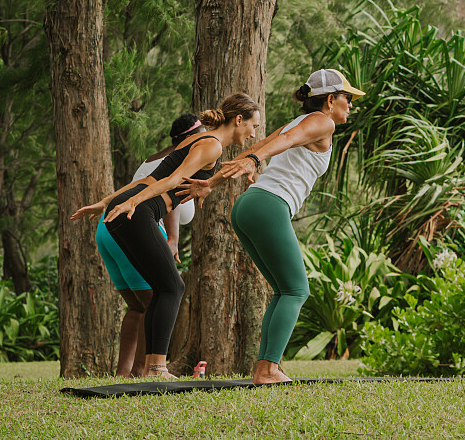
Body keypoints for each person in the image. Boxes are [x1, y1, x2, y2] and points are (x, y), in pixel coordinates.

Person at [180, 69, 365, 385]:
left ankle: (267, 367)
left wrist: (211, 183)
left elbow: (261, 146)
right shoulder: (323, 122)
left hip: (249, 207)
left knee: (284, 290)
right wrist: (251, 163)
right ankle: (267, 369)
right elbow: (281, 143)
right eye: (347, 98)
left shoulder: (298, 122)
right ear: (330, 99)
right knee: (296, 290)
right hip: (269, 206)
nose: (350, 104)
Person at [72, 93, 261, 377]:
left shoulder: (196, 140)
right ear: (238, 120)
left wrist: (106, 202)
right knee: (173, 287)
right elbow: (168, 180)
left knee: (163, 288)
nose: (254, 132)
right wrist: (133, 202)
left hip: (131, 210)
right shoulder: (211, 146)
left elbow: (146, 179)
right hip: (139, 213)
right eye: (254, 125)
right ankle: (157, 367)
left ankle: (152, 367)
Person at [94, 113, 203, 377]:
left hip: (108, 226)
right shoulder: (179, 160)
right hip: (134, 227)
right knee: (157, 296)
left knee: (138, 306)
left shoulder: (154, 158)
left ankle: (124, 374)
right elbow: (170, 194)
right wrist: (173, 240)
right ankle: (142, 373)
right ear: (191, 138)